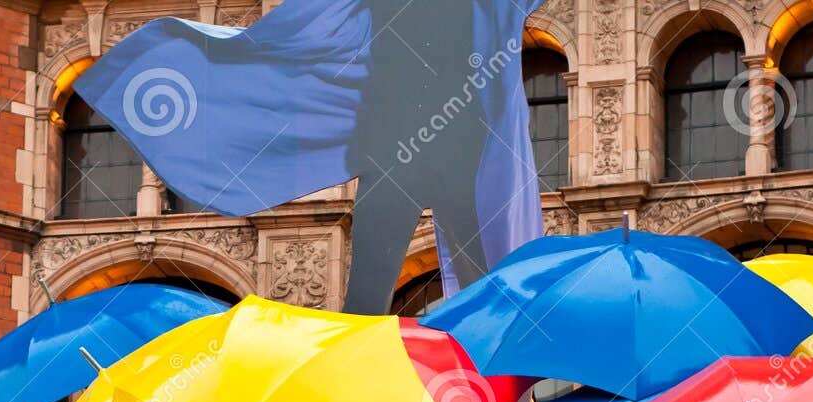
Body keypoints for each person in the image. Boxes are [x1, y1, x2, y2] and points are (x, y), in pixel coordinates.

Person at [74, 0, 544, 314]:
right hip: (401, 147)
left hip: (437, 145)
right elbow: (299, 30)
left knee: (460, 274)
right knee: (387, 283)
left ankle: (482, 367)